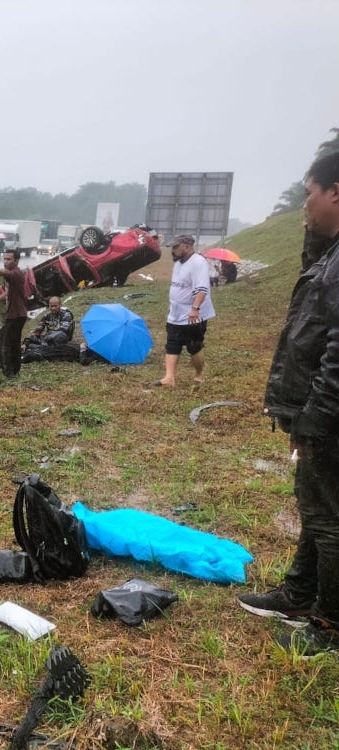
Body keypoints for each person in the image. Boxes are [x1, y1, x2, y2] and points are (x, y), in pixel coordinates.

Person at [238, 151, 339, 657]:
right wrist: (313, 232)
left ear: (335, 191)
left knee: (328, 516)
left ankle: (330, 622)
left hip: (329, 416)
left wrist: (316, 419)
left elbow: (338, 355)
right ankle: (299, 594)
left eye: (309, 194)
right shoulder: (332, 254)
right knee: (317, 506)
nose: (306, 204)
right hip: (319, 415)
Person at [150, 235, 215, 387]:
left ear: (187, 246)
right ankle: (169, 378)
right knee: (172, 343)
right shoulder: (178, 263)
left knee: (194, 346)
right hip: (176, 313)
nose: (173, 250)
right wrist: (172, 304)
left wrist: (195, 308)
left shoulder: (198, 262)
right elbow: (177, 285)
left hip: (193, 314)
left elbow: (202, 288)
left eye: (176, 247)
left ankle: (199, 374)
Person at [0, 249, 28, 377]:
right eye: (5, 259)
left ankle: (10, 373)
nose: (6, 262)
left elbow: (3, 272)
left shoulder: (16, 273)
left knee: (6, 345)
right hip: (13, 315)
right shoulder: (10, 277)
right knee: (9, 344)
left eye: (9, 259)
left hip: (17, 315)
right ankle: (9, 367)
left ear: (16, 261)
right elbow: (7, 293)